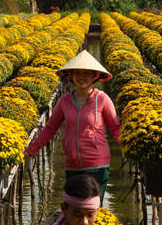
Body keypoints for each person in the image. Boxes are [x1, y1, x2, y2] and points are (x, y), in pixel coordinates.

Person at [26, 50, 120, 201]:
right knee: (74, 209)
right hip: (72, 165)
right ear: (71, 76)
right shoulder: (65, 101)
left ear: (94, 76)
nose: (81, 77)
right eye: (77, 73)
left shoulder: (102, 99)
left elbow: (115, 128)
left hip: (97, 165)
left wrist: (131, 150)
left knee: (91, 209)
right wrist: (31, 150)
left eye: (86, 73)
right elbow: (50, 129)